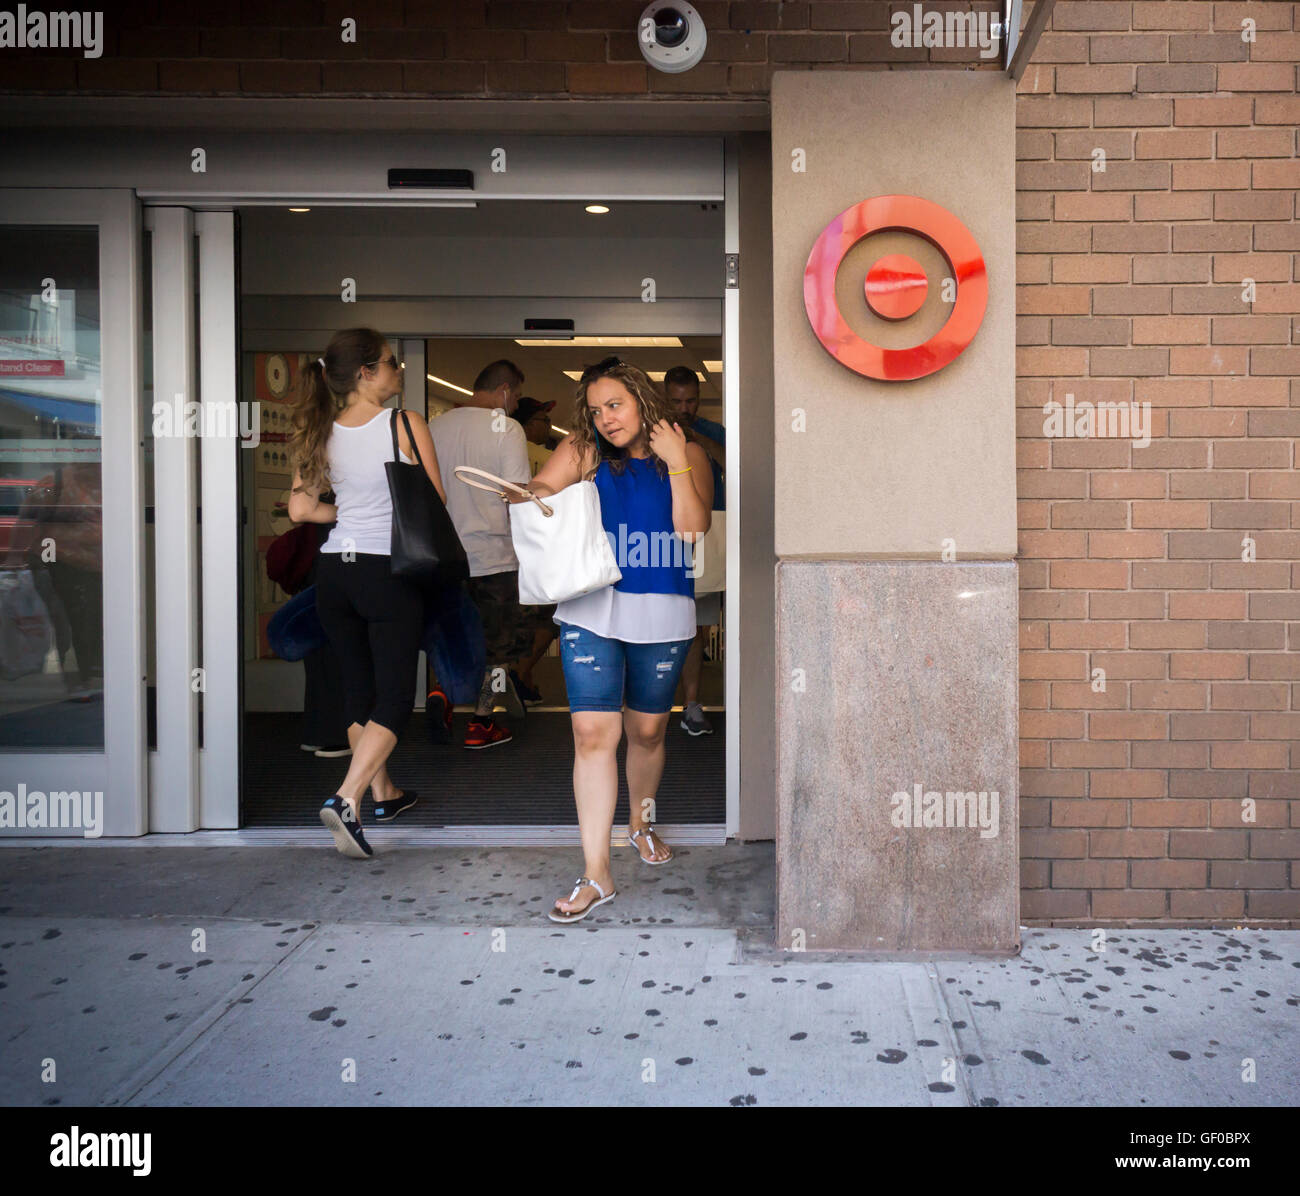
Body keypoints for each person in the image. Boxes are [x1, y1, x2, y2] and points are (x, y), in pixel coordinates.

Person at [507, 356, 713, 923]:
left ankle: (641, 823)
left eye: (614, 405)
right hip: (592, 606)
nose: (604, 418)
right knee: (592, 734)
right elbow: (541, 491)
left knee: (646, 731)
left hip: (663, 608)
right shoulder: (582, 449)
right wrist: (528, 494)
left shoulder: (686, 451)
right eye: (595, 410)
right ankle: (597, 871)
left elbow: (693, 528)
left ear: (642, 399)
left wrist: (674, 463)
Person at [288, 328, 442, 857]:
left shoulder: (319, 430)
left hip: (335, 573)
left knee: (358, 691)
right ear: (366, 373)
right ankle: (348, 797)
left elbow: (301, 511)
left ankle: (384, 793)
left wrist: (348, 513)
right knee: (397, 697)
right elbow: (431, 504)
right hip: (386, 571)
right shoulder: (404, 424)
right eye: (391, 362)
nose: (399, 370)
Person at [429, 360, 537, 748]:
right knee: (499, 647)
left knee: (451, 635)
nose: (516, 404)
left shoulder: (435, 426)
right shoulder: (506, 428)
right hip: (493, 555)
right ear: (505, 390)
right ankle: (482, 720)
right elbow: (516, 494)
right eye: (518, 395)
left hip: (443, 557)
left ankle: (441, 693)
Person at [663, 365, 725, 736]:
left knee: (696, 625)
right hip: (659, 541)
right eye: (676, 402)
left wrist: (694, 438)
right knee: (655, 620)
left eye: (690, 401)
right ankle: (647, 706)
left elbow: (735, 463)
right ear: (663, 399)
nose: (684, 408)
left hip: (703, 540)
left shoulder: (711, 431)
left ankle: (692, 704)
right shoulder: (649, 433)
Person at [509, 396, 558, 705]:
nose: (549, 427)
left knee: (522, 620)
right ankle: (517, 673)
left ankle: (522, 678)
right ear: (526, 424)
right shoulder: (545, 457)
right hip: (540, 549)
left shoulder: (508, 451)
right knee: (547, 618)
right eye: (544, 421)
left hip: (509, 548)